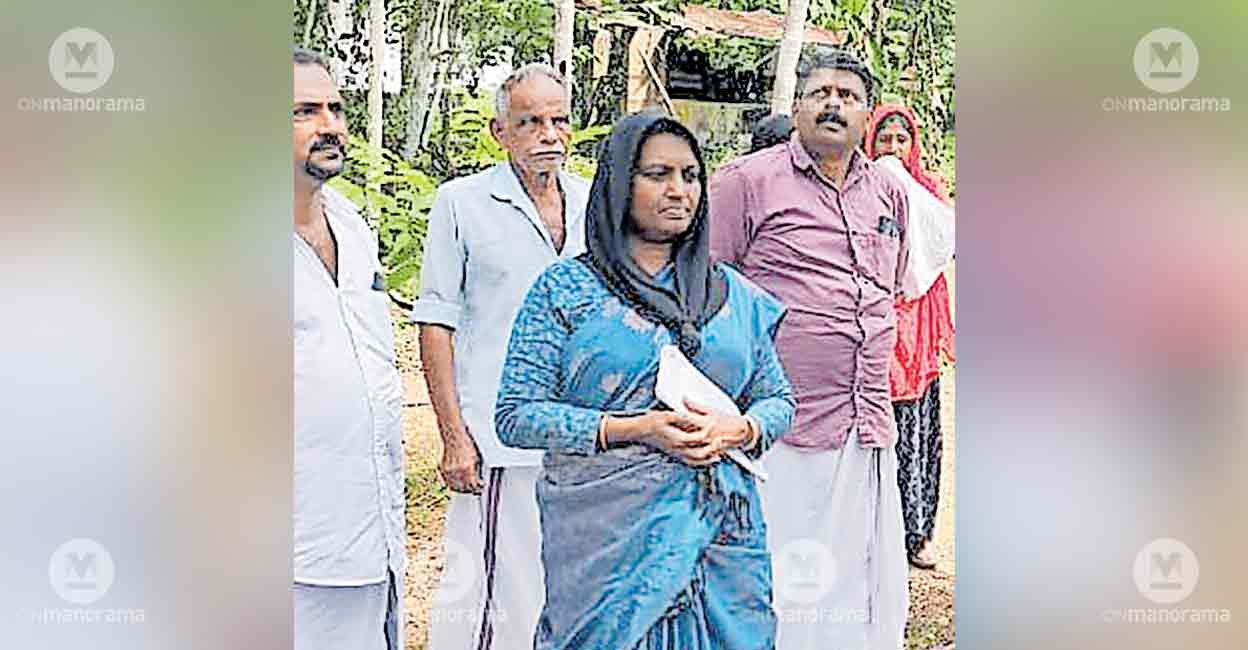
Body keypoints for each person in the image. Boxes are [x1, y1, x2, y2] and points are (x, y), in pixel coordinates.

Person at [494, 113, 795, 650]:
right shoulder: (566, 290)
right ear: (618, 184)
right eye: (657, 174)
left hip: (723, 539)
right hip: (607, 546)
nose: (679, 190)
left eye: (690, 175)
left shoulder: (731, 294)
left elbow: (778, 399)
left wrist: (738, 430)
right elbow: (517, 414)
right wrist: (637, 428)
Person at [708, 48, 910, 649]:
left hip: (865, 420)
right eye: (820, 93)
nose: (833, 105)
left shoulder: (886, 193)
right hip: (776, 426)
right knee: (779, 578)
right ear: (796, 104)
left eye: (848, 97)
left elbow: (888, 290)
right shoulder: (746, 183)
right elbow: (703, 293)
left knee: (859, 579)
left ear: (867, 113)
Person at [411, 63, 591, 649]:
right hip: (495, 437)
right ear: (500, 132)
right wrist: (453, 436)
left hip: (578, 436)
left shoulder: (594, 203)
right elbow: (436, 321)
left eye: (559, 120)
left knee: (559, 584)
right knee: (485, 596)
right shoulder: (462, 202)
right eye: (530, 121)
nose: (549, 134)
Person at [292, 46, 405, 650]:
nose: (332, 125)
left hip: (370, 529)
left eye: (335, 107)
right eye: (304, 111)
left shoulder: (354, 228)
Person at [865, 104, 956, 571]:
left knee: (918, 431)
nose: (892, 150)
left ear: (913, 145)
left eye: (901, 140)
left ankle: (916, 533)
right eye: (884, 140)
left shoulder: (929, 192)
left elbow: (940, 251)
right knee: (880, 431)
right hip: (877, 325)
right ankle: (875, 534)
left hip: (918, 329)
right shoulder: (860, 190)